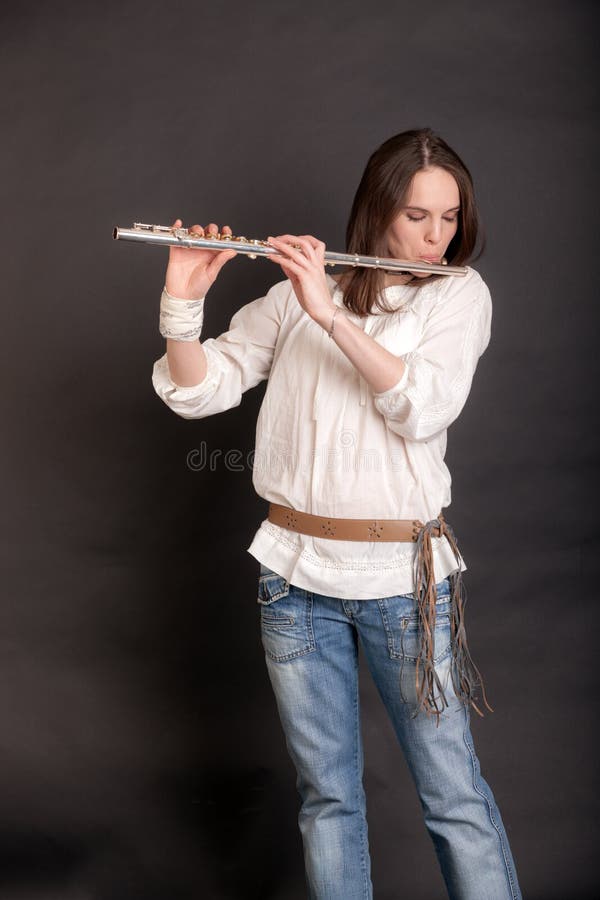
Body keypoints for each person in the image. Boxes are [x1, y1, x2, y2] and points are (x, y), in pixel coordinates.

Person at [151, 128, 523, 900]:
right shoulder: (291, 294)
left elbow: (420, 407)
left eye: (448, 218)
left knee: (452, 796)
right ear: (378, 211)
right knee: (327, 801)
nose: (433, 237)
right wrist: (182, 301)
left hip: (402, 582)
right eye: (416, 216)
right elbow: (199, 389)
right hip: (293, 578)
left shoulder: (459, 296)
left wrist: (331, 315)